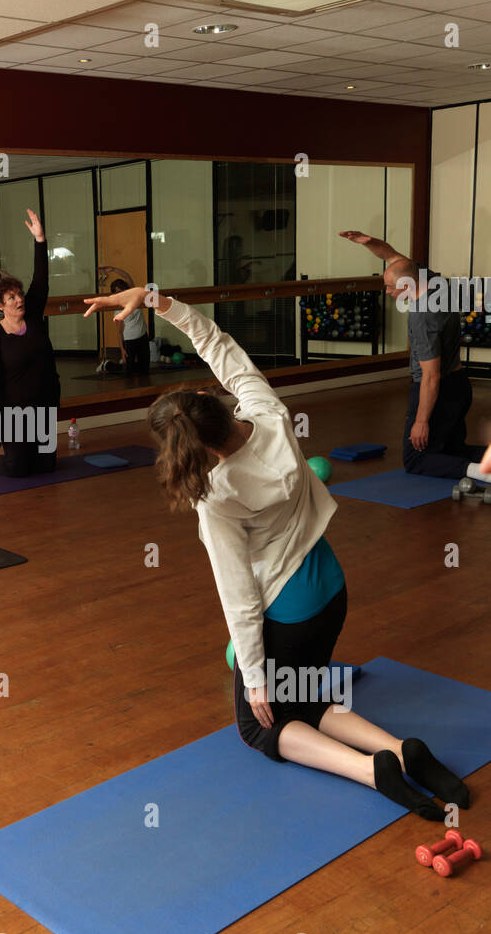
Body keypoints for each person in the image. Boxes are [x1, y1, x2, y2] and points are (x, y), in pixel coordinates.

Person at [83, 283, 469, 821]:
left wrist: (256, 674)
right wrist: (155, 299)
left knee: (257, 725)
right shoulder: (268, 413)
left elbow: (236, 588)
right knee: (305, 694)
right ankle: (403, 750)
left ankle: (370, 769)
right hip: (331, 588)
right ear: (215, 405)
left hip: (289, 611)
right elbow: (218, 345)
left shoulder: (214, 495)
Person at [340, 232, 488, 482]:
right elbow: (396, 259)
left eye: (390, 287)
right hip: (460, 385)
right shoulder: (437, 285)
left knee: (416, 459)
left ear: (407, 285)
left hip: (439, 391)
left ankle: (483, 474)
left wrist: (421, 421)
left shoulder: (422, 318)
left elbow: (431, 377)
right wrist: (370, 243)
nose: (387, 292)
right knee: (452, 450)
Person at [0, 209, 60, 479]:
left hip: (41, 407)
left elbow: (41, 281)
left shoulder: (32, 318)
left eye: (19, 294)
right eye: (11, 298)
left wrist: (40, 240)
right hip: (12, 414)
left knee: (46, 466)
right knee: (16, 468)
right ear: (0, 306)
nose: (19, 300)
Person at [98, 266, 149, 375]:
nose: (119, 294)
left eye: (120, 291)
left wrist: (113, 269)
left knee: (144, 369)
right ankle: (108, 366)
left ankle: (112, 365)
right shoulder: (118, 310)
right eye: (116, 292)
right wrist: (122, 350)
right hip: (129, 341)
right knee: (128, 372)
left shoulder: (134, 295)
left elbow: (127, 276)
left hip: (143, 337)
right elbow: (119, 331)